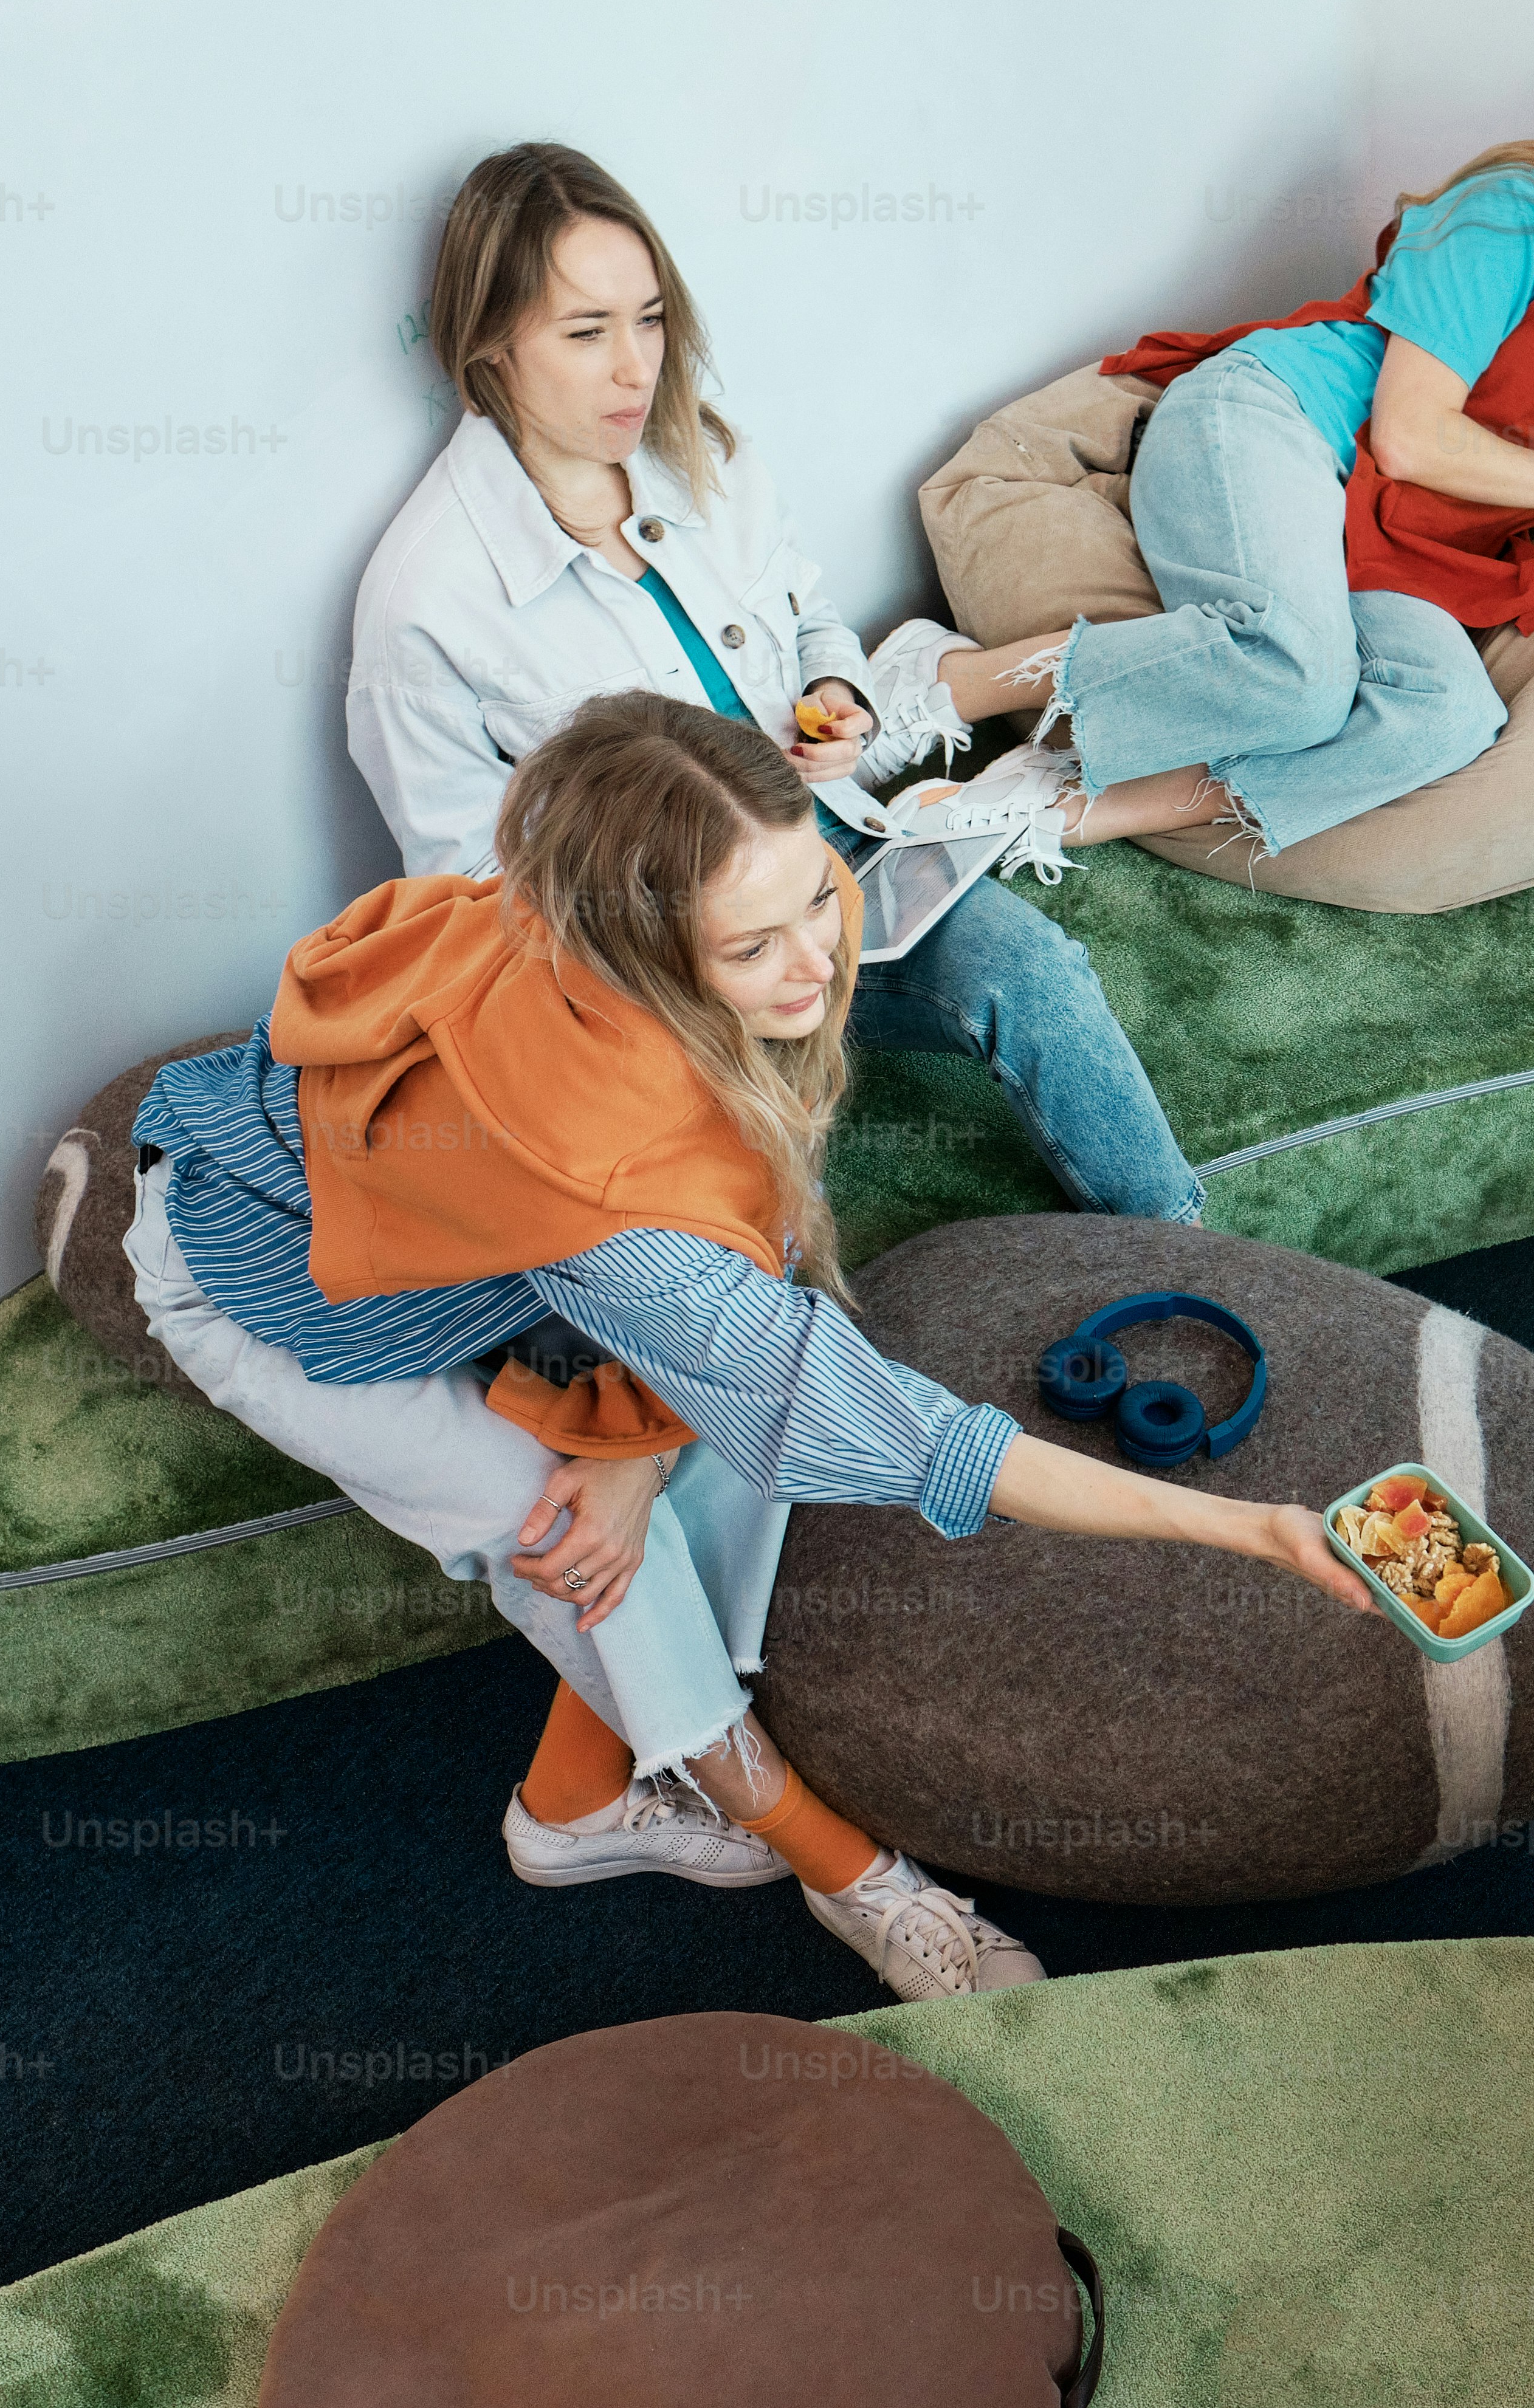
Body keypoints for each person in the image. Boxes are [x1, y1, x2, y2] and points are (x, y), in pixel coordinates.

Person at [131, 693, 1374, 1997]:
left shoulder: (642, 906)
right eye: (751, 949)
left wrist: (641, 1428)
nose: (817, 965)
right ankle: (847, 1872)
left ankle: (567, 1808)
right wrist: (1250, 1530)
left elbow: (743, 1222)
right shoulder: (604, 1200)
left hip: (485, 1248)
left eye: (816, 905)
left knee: (687, 1441)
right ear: (635, 953)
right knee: (566, 1542)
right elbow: (916, 1435)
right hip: (272, 1293)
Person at [345, 142, 1204, 1226]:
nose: (636, 368)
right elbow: (465, 894)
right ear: (488, 346)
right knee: (738, 1199)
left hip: (830, 858)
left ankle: (1190, 1252)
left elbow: (810, 616)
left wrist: (838, 696)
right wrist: (687, 935)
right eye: (585, 332)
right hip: (664, 956)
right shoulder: (426, 600)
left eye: (650, 319)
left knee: (1032, 969)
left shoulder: (704, 455)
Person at [889, 58, 1534, 868]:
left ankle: (1064, 804)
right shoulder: (1516, 215)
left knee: (1452, 716)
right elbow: (1413, 438)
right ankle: (950, 680)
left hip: (1394, 537)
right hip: (1274, 423)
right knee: (1298, 675)